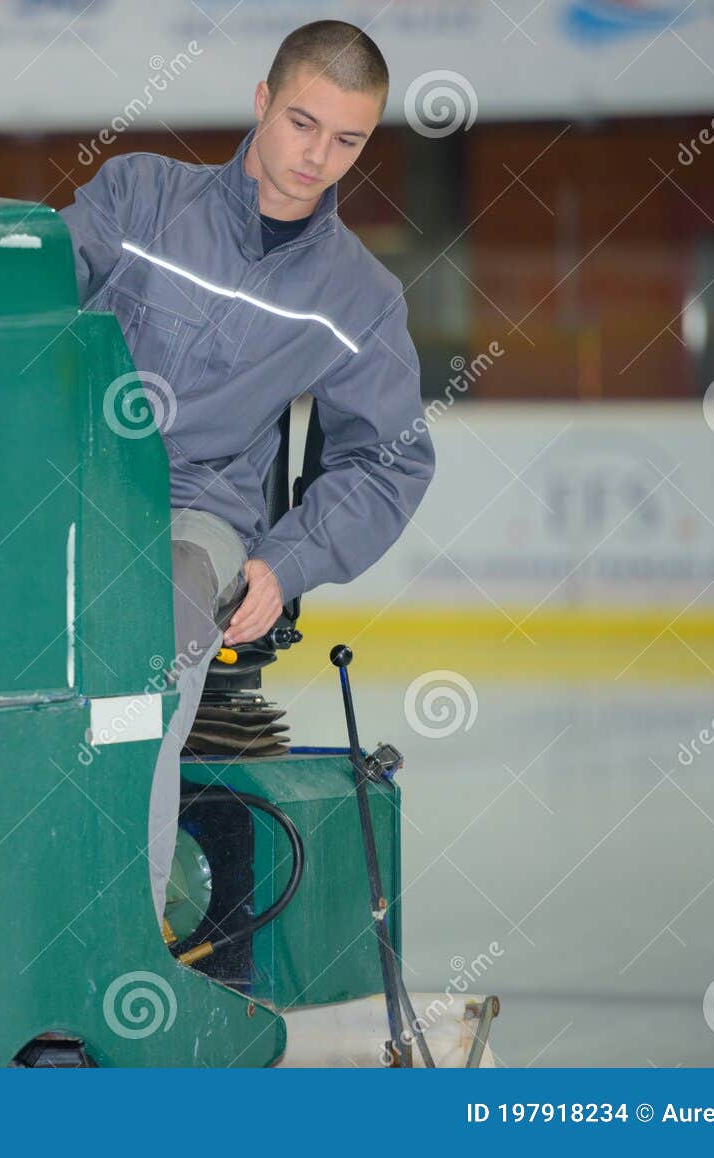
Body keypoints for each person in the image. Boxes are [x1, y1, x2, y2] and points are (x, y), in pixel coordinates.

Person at [58, 20, 437, 922]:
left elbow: (390, 462)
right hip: (68, 489)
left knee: (168, 615)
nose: (319, 157)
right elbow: (33, 302)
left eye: (348, 140)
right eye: (304, 124)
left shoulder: (360, 299)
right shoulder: (140, 196)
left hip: (200, 516)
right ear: (263, 103)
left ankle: (125, 927)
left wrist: (289, 560)